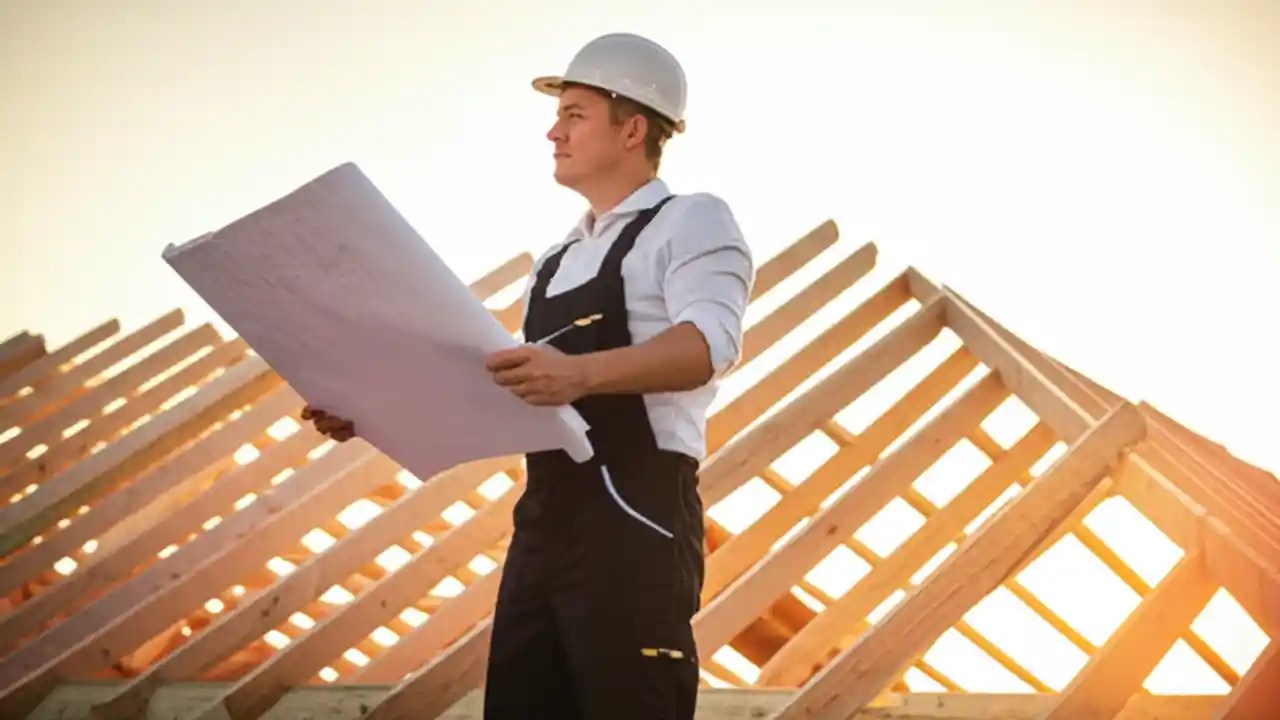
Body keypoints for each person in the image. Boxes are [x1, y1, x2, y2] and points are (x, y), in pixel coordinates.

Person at [302, 32, 753, 719]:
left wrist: (578, 374)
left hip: (636, 517)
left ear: (632, 128)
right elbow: (515, 392)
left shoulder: (691, 220)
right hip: (545, 523)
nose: (553, 131)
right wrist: (368, 409)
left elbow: (708, 345)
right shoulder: (556, 259)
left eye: (573, 114)